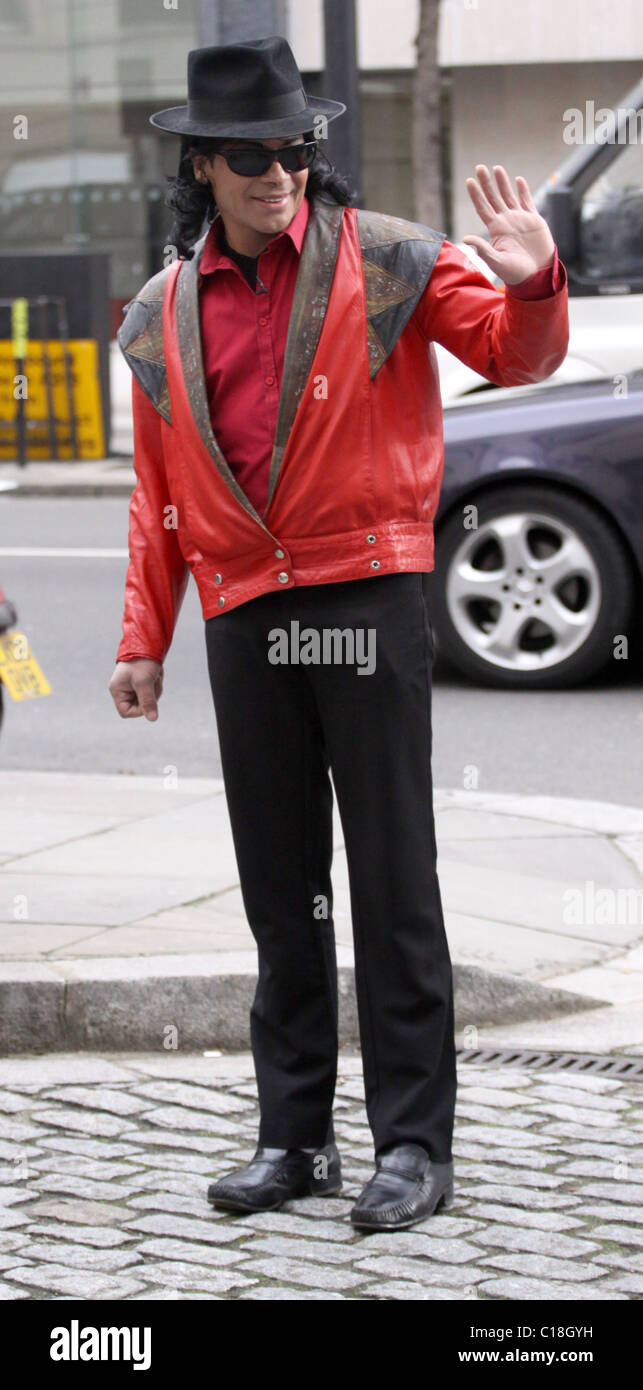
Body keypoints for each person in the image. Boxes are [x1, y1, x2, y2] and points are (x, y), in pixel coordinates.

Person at [109, 36, 569, 1231]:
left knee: (392, 881)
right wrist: (140, 636)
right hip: (243, 615)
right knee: (280, 890)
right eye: (253, 157)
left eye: (297, 151)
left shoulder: (396, 259)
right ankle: (293, 1138)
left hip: (366, 596)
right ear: (203, 165)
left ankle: (413, 1145)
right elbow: (156, 490)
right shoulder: (159, 313)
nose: (280, 175)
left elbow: (515, 354)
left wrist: (530, 281)